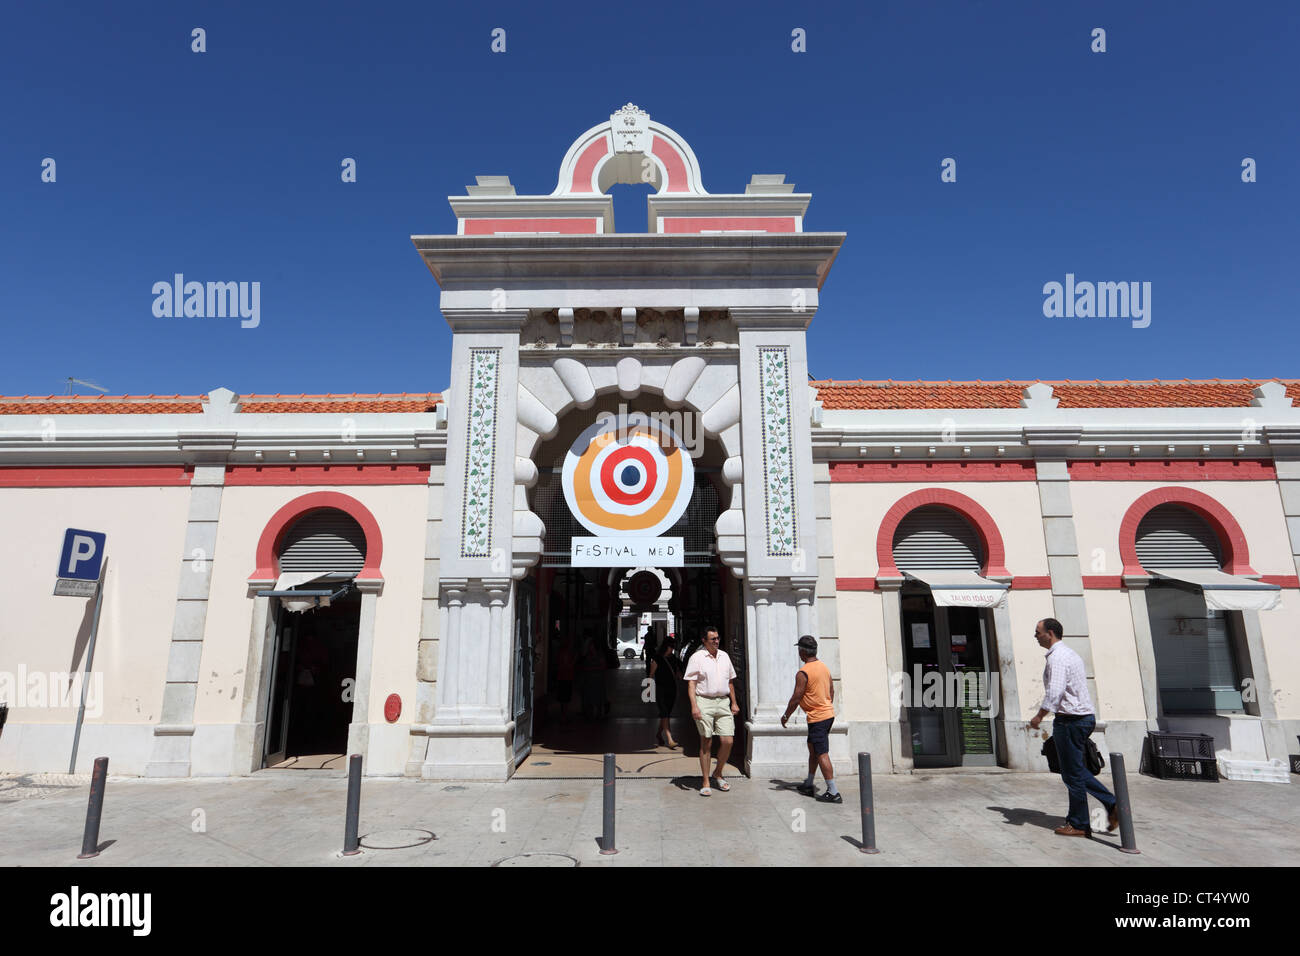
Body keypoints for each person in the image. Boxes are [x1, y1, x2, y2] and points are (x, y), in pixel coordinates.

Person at [1028, 618, 1118, 838]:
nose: (1035, 636)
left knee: (1072, 774)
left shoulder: (1057, 658)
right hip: (1081, 718)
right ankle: (1101, 809)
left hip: (1071, 721)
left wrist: (1039, 715)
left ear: (1050, 633)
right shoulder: (1069, 654)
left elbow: (1055, 691)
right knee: (1073, 772)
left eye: (1037, 632)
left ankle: (1081, 822)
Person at [780, 635, 840, 802]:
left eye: (799, 650)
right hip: (826, 715)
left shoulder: (803, 673)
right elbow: (832, 691)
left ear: (802, 652)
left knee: (821, 753)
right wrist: (825, 707)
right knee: (813, 749)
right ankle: (809, 782)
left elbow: (796, 698)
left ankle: (833, 792)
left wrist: (786, 716)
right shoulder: (824, 667)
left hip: (818, 718)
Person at [684, 626, 738, 795]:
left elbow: (730, 681)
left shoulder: (725, 656)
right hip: (704, 701)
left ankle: (718, 772)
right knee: (706, 741)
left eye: (717, 638)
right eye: (712, 639)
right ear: (704, 641)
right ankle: (706, 780)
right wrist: (694, 706)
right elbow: (691, 683)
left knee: (728, 740)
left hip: (723, 701)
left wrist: (734, 703)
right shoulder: (697, 658)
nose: (716, 641)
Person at [649, 635, 680, 749]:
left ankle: (658, 734)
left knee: (665, 715)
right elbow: (651, 675)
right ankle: (670, 739)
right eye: (671, 647)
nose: (672, 649)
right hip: (660, 690)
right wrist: (649, 690)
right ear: (666, 647)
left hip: (672, 689)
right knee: (665, 713)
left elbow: (677, 673)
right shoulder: (657, 658)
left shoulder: (673, 659)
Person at [554, 635, 576, 722]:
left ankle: (563, 714)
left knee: (563, 698)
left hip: (562, 677)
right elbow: (568, 665)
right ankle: (564, 715)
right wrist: (575, 659)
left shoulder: (561, 652)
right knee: (565, 698)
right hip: (566, 677)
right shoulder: (566, 652)